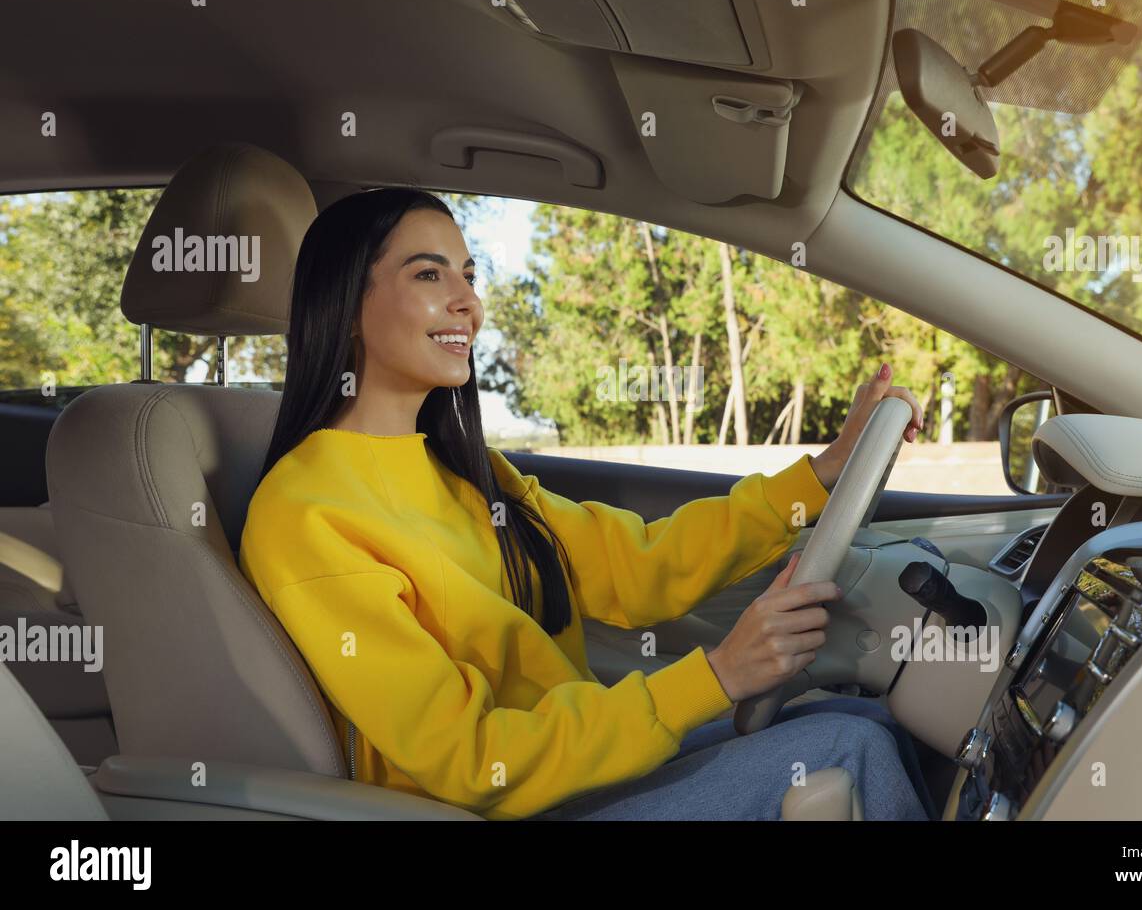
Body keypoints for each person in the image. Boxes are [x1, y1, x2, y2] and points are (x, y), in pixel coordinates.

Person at [238, 187, 930, 820]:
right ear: (346, 304)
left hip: (576, 777)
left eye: (470, 275)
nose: (467, 303)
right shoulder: (308, 512)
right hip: (500, 806)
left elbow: (636, 566)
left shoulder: (470, 473)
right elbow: (468, 758)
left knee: (859, 718)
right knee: (846, 748)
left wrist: (821, 475)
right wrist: (716, 677)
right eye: (429, 275)